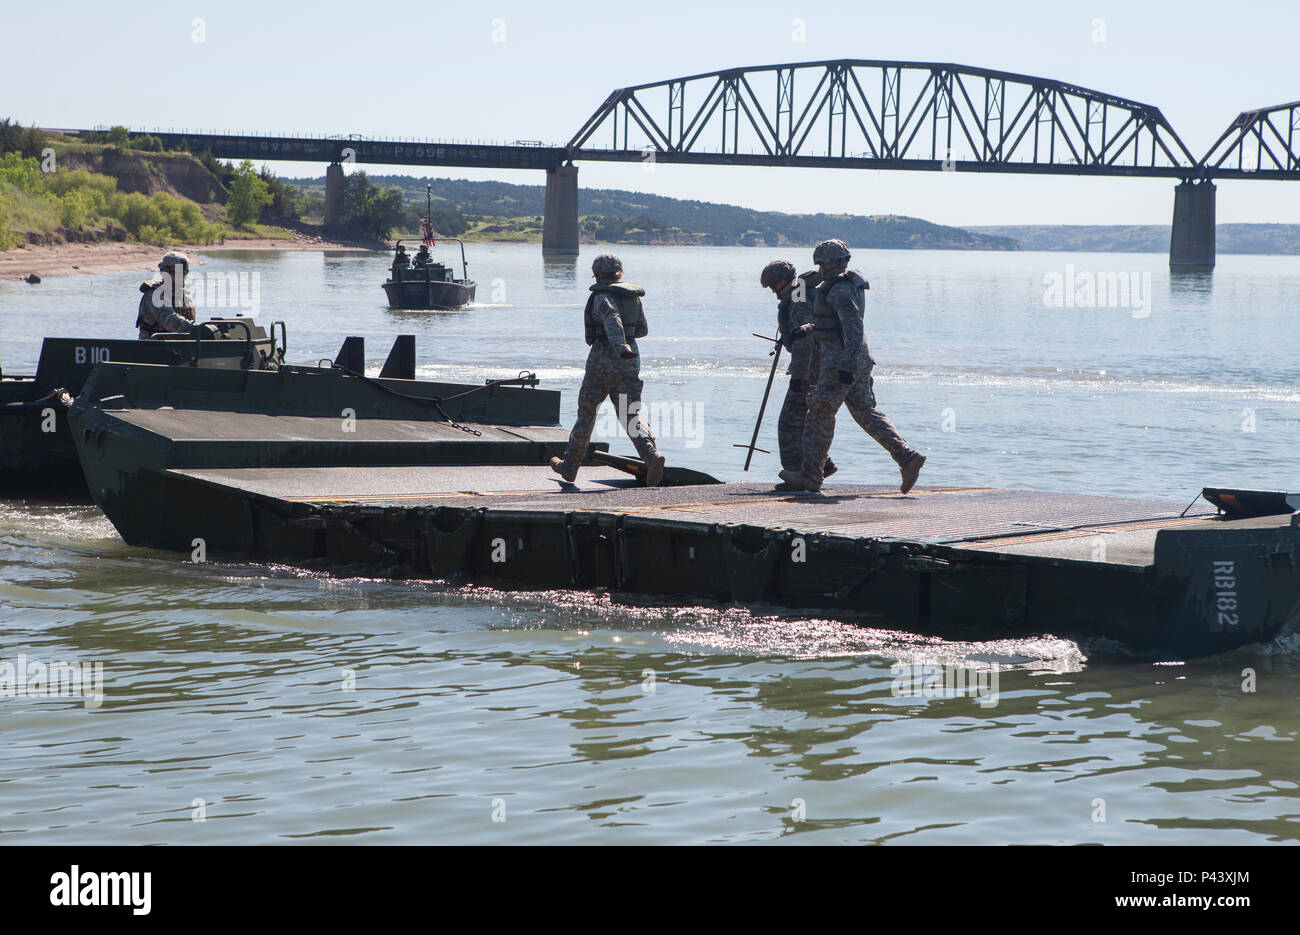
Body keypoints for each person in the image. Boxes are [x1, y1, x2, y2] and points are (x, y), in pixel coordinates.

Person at [779, 239, 926, 494]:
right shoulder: (843, 287)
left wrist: (845, 366)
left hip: (840, 363)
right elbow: (835, 325)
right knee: (865, 413)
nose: (820, 268)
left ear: (830, 263)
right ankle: (907, 457)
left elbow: (853, 329)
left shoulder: (839, 291)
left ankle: (811, 476)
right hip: (858, 360)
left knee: (818, 414)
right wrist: (805, 331)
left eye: (823, 264)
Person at [550, 252, 665, 487]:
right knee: (630, 412)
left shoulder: (602, 297)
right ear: (620, 273)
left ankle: (569, 468)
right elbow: (641, 330)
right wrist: (626, 346)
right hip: (631, 362)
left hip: (603, 360)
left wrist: (619, 345)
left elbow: (612, 318)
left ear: (598, 275)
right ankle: (651, 455)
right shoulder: (633, 298)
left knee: (587, 413)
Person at [760, 259, 837, 491]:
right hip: (821, 367)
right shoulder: (806, 292)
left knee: (788, 423)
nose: (774, 294)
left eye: (774, 287)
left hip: (808, 370)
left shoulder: (797, 298)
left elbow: (806, 341)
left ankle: (795, 474)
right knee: (805, 422)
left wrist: (798, 378)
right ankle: (822, 465)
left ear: (784, 281)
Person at [136, 251, 205, 339]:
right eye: (175, 272)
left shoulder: (183, 294)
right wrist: (198, 330)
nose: (180, 276)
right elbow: (169, 319)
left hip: (180, 347)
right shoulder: (155, 294)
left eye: (183, 272)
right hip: (154, 346)